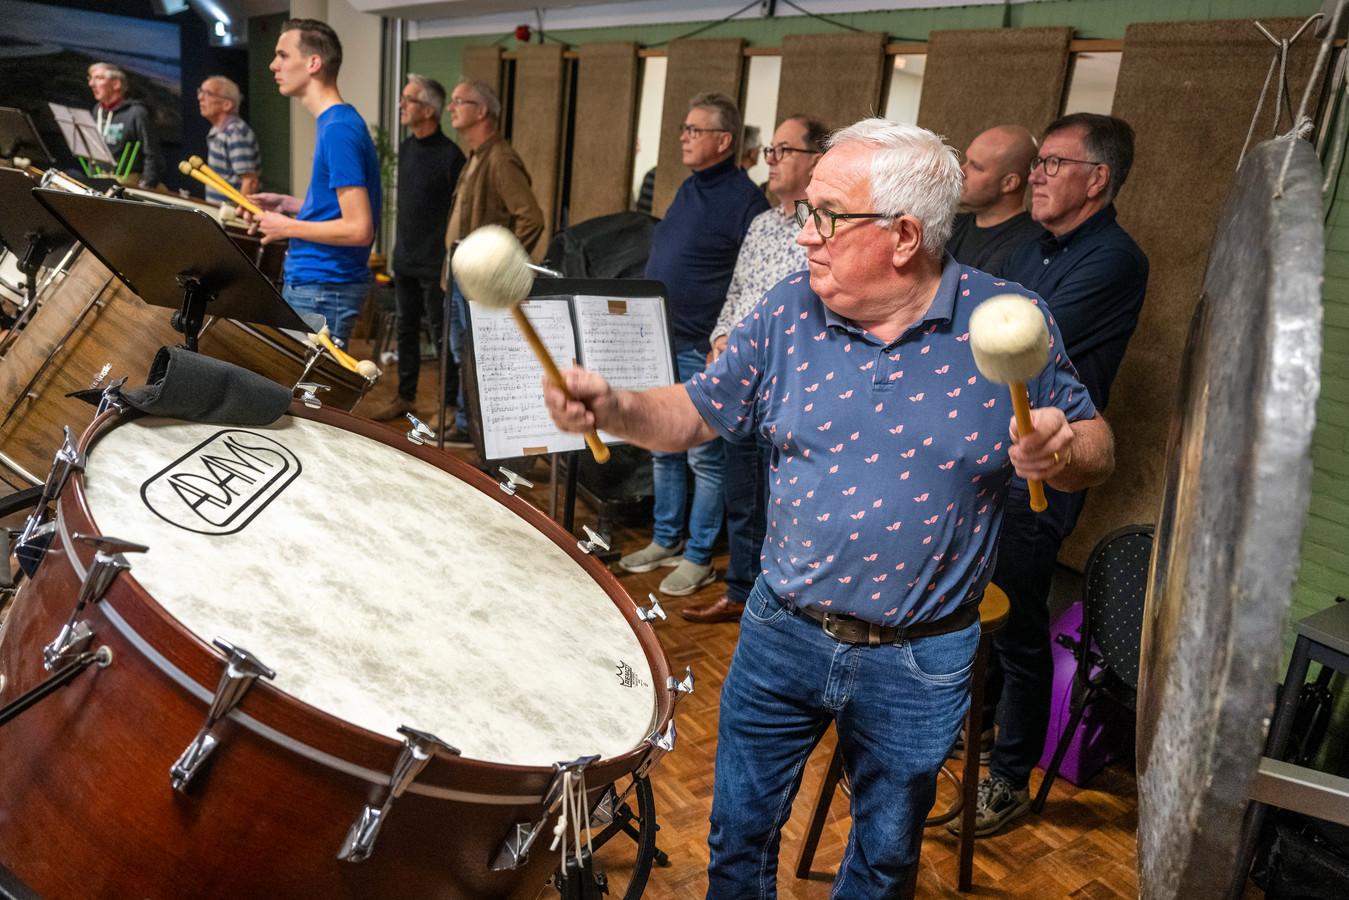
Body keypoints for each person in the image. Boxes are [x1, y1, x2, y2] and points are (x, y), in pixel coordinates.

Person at [543, 117, 1114, 897]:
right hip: (782, 630)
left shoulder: (1006, 321)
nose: (804, 234)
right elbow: (694, 413)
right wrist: (613, 407)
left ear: (904, 234)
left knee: (882, 858)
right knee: (738, 833)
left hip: (920, 655)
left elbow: (1095, 446)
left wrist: (1063, 448)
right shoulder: (788, 311)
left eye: (826, 216)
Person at [962, 112, 1148, 838]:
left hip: (1044, 467)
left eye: (1052, 164)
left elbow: (1011, 338)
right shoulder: (1029, 247)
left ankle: (1008, 777)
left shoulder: (1113, 259)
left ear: (1095, 178)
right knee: (976, 606)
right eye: (1034, 163)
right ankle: (976, 728)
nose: (1035, 175)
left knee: (1017, 620)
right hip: (989, 458)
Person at [619, 92, 769, 597]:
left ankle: (700, 555)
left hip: (701, 344)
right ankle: (666, 538)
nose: (683, 136)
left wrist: (719, 340)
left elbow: (745, 282)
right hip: (660, 335)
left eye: (694, 130)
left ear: (724, 141)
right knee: (662, 445)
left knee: (705, 458)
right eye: (684, 128)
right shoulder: (688, 186)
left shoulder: (746, 200)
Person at [682, 114, 826, 624]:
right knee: (742, 499)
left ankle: (779, 605)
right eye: (771, 150)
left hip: (790, 387)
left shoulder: (826, 228)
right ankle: (740, 591)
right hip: (739, 381)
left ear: (816, 160)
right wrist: (721, 337)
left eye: (785, 150)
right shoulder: (763, 223)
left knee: (781, 505)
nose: (773, 160)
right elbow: (738, 292)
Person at [247, 18, 380, 349]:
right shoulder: (335, 122)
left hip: (324, 286)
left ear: (313, 63)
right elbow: (338, 208)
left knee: (311, 397)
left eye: (282, 55)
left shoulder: (338, 128)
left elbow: (359, 228)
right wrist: (290, 205)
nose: (273, 64)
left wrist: (286, 227)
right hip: (318, 283)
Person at [441, 78, 545, 443]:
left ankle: (483, 433)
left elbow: (531, 217)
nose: (451, 107)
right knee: (462, 355)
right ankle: (468, 425)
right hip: (459, 279)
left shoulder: (500, 158)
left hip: (477, 282)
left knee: (475, 358)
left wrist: (497, 266)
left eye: (459, 101)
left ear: (482, 110)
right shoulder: (476, 154)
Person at [367, 74, 466, 422]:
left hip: (437, 266)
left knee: (443, 339)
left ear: (428, 109)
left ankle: (448, 407)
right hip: (405, 260)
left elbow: (460, 215)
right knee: (406, 331)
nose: (401, 105)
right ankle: (405, 396)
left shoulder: (451, 156)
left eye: (408, 100)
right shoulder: (407, 149)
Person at [944, 125, 1040, 275]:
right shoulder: (950, 224)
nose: (961, 171)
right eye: (967, 161)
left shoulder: (1029, 243)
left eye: (976, 167)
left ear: (1009, 183)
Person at [88, 62, 164, 188]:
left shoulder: (136, 112)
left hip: (126, 184)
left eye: (99, 78)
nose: (91, 84)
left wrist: (147, 186)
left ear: (116, 84)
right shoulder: (97, 110)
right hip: (100, 181)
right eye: (91, 78)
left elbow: (152, 154)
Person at [198, 75, 260, 203]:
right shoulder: (218, 131)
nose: (200, 97)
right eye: (200, 92)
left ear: (227, 104)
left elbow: (250, 181)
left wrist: (240, 214)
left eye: (208, 93)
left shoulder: (235, 132)